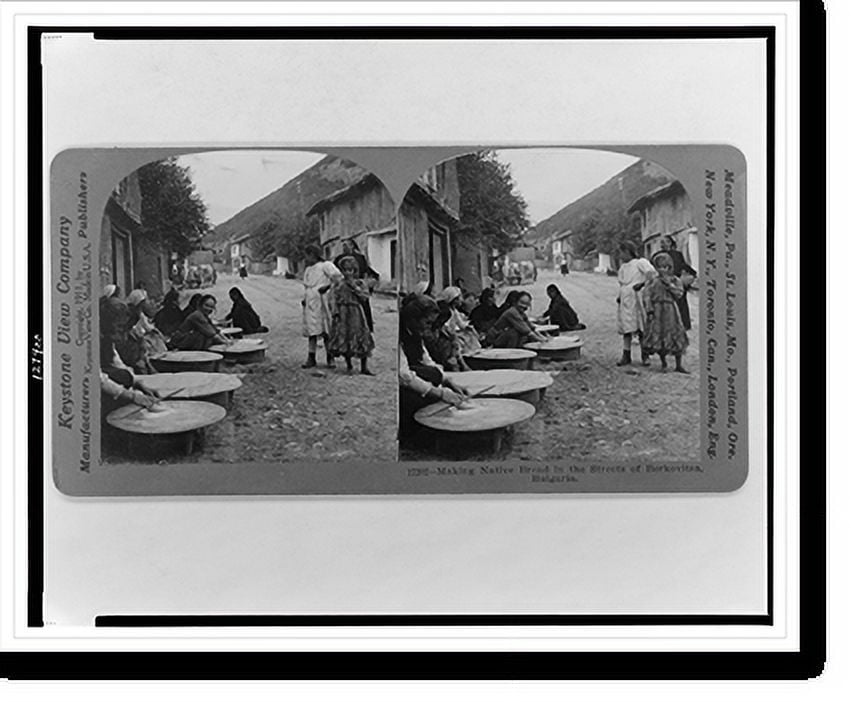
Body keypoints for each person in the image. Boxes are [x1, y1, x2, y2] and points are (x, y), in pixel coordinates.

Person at [398, 294, 469, 442]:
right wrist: (440, 393)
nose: (429, 327)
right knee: (420, 399)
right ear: (413, 319)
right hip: (399, 385)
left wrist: (448, 381)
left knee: (435, 373)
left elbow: (427, 360)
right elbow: (404, 376)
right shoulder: (398, 334)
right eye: (427, 322)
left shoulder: (415, 333)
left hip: (412, 374)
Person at [641, 252, 689, 372]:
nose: (662, 269)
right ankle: (664, 363)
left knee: (675, 334)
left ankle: (679, 364)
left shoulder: (675, 280)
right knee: (660, 335)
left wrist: (669, 284)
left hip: (670, 309)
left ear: (670, 267)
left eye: (665, 267)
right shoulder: (653, 281)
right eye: (659, 267)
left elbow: (679, 294)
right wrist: (649, 308)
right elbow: (647, 294)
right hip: (657, 310)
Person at [327, 255, 375, 374]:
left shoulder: (359, 283)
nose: (347, 273)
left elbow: (365, 297)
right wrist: (335, 310)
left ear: (354, 270)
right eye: (345, 270)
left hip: (355, 312)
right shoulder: (338, 284)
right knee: (345, 336)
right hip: (343, 312)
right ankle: (349, 365)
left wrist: (354, 287)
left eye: (350, 270)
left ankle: (364, 366)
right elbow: (332, 297)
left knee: (361, 335)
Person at [615, 241, 657, 366]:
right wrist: (619, 296)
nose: (620, 256)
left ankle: (645, 355)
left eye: (622, 253)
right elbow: (622, 284)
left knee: (640, 326)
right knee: (627, 328)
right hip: (626, 299)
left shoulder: (640, 263)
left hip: (637, 298)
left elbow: (652, 274)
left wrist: (642, 284)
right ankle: (626, 355)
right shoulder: (623, 267)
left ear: (628, 251)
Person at [301, 243, 342, 368]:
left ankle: (330, 357)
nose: (306, 259)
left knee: (325, 330)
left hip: (322, 301)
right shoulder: (308, 270)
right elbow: (306, 286)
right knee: (312, 330)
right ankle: (311, 357)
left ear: (313, 255)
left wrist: (328, 287)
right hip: (311, 303)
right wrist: (305, 298)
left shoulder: (326, 266)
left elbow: (338, 279)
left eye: (307, 255)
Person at [333, 239, 378, 332]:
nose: (344, 248)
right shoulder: (339, 259)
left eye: (346, 245)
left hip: (358, 286)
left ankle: (366, 328)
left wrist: (362, 284)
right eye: (343, 246)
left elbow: (366, 271)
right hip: (344, 288)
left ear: (352, 246)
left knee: (362, 310)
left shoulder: (360, 258)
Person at [656, 235, 697, 331]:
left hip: (677, 281)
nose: (662, 244)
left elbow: (682, 265)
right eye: (661, 242)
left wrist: (693, 273)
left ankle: (685, 324)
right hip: (664, 281)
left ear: (670, 243)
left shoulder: (677, 254)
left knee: (681, 303)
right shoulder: (658, 255)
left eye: (664, 241)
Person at [436, 285, 481, 358]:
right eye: (458, 298)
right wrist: (453, 335)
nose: (461, 300)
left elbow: (461, 324)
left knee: (469, 335)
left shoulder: (454, 311)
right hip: (447, 335)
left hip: (453, 333)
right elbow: (445, 327)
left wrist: (470, 328)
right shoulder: (446, 312)